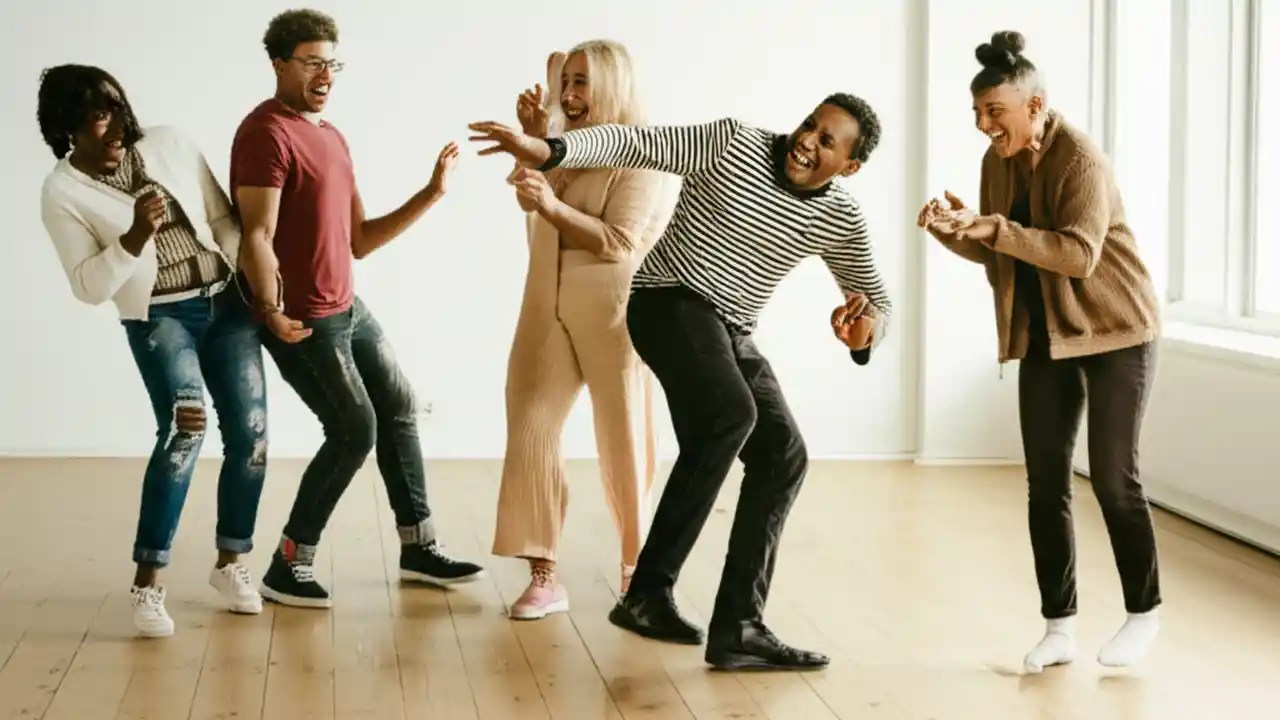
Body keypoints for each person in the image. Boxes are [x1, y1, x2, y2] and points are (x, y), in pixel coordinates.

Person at [470, 89, 892, 670]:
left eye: (826, 141)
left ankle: (739, 626)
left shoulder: (839, 214)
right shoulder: (734, 141)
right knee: (730, 417)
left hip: (732, 330)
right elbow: (634, 141)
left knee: (784, 455)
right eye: (809, 125)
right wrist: (549, 149)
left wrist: (864, 329)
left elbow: (874, 296)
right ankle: (647, 593)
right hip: (668, 301)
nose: (806, 141)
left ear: (850, 166)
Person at [919, 31, 1163, 673]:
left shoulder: (1080, 159)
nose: (983, 125)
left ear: (1035, 104)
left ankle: (1144, 613)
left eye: (993, 112)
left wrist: (994, 226)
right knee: (1045, 485)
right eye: (976, 114)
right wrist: (958, 232)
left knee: (1113, 479)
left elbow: (1079, 256)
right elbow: (1002, 247)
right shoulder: (996, 163)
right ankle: (1059, 628)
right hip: (1046, 336)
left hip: (1117, 330)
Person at [230, 8, 484, 608]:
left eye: (332, 62)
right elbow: (256, 235)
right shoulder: (265, 133)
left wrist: (431, 193)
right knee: (354, 429)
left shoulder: (331, 135)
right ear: (278, 65)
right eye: (312, 62)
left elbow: (360, 239)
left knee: (397, 406)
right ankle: (289, 563)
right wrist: (269, 310)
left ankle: (419, 546)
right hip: (304, 319)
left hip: (348, 307)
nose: (325, 74)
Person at [37, 65, 268, 637]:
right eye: (96, 115)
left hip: (225, 306)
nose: (114, 125)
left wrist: (245, 275)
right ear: (67, 125)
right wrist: (136, 234)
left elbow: (220, 217)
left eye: (116, 108)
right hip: (161, 320)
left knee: (253, 434)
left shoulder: (168, 143)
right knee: (185, 430)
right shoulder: (62, 191)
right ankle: (148, 583)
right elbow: (89, 286)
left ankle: (231, 563)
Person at [492, 41, 676, 620]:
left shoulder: (646, 153)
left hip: (613, 307)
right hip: (543, 296)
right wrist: (531, 143)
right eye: (565, 82)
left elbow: (620, 241)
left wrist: (549, 203)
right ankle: (543, 573)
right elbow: (531, 202)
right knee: (531, 425)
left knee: (623, 435)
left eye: (582, 84)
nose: (568, 95)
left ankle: (637, 568)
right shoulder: (558, 140)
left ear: (614, 88)